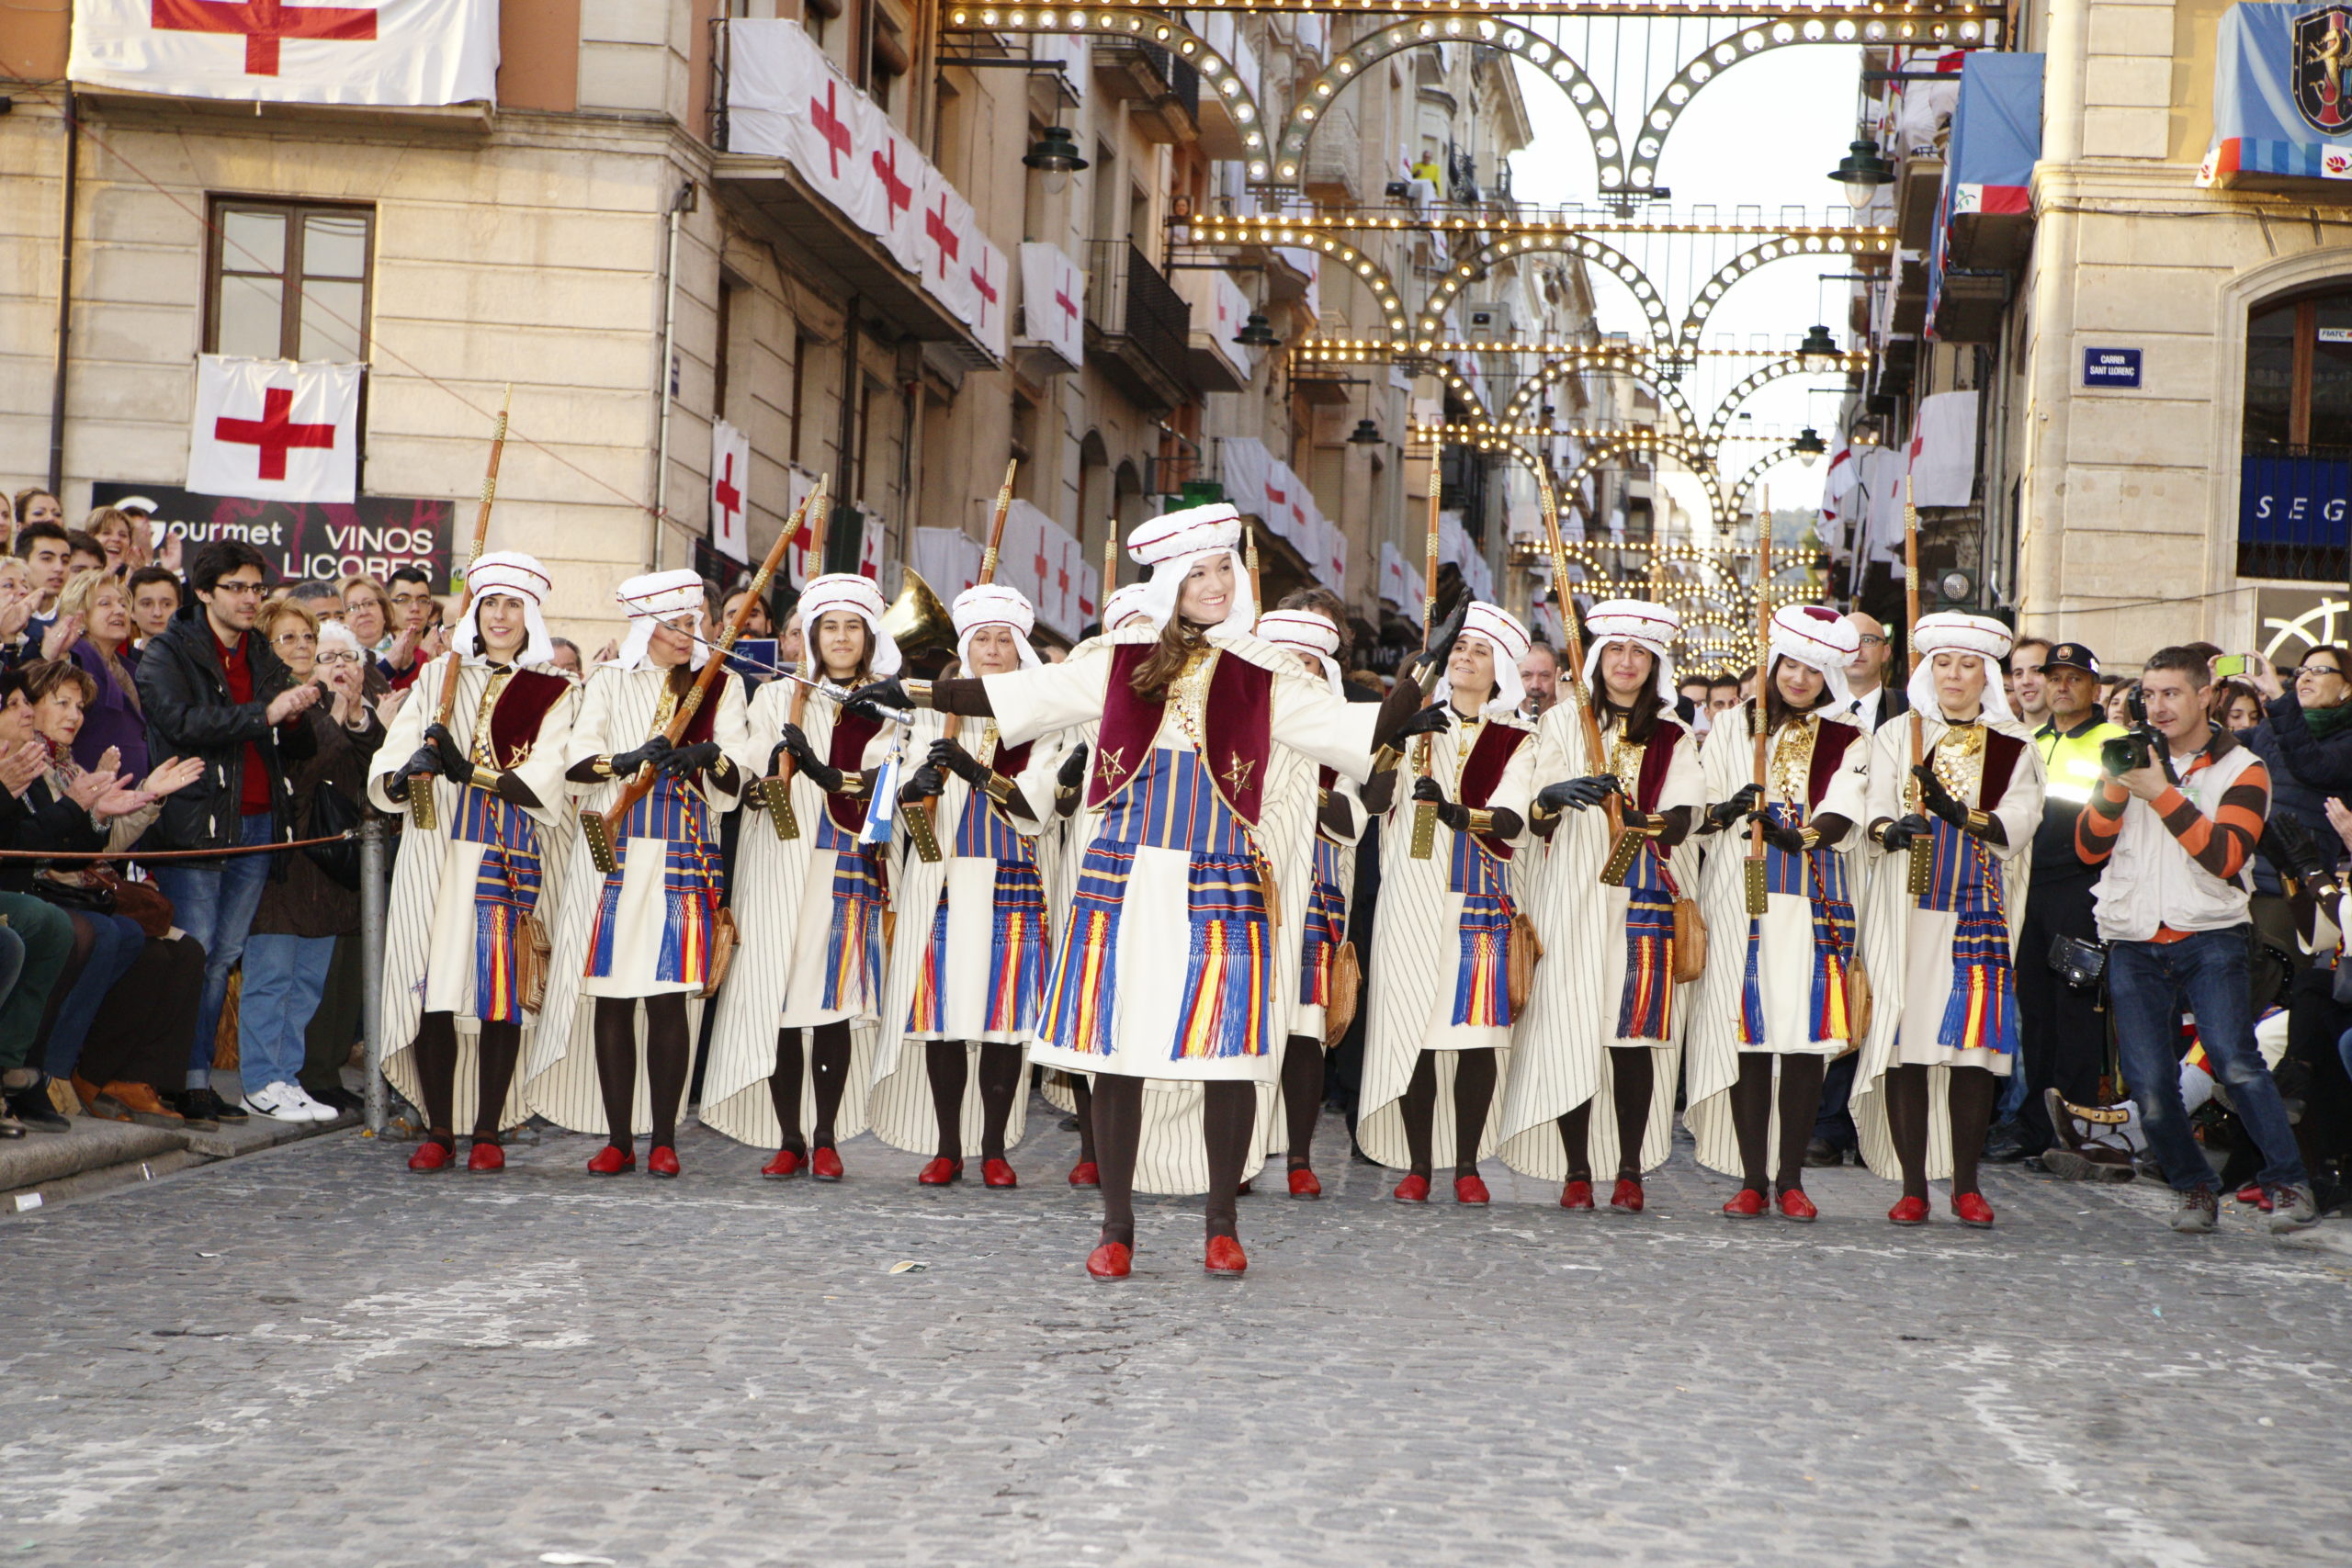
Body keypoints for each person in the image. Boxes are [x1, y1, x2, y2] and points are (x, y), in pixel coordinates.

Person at [846, 503, 1404, 1279]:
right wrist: (916, 694)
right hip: (1123, 874)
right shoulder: (1119, 659)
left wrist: (1421, 678)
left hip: (1220, 874)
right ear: (1171, 582)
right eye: (1199, 572)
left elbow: (1358, 730)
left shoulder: (1266, 670)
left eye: (1224, 570)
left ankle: (1221, 1222)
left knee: (1228, 1053)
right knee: (1114, 1050)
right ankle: (1116, 1226)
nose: (1215, 584)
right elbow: (1019, 698)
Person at [2075, 646, 2319, 1233]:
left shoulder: (2243, 767)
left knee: (2236, 1062)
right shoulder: (2128, 755)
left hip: (2212, 934)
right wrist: (2117, 784)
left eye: (2171, 694)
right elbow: (2087, 847)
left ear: (2205, 695)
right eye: (2148, 695)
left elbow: (2225, 854)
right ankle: (2193, 1186)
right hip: (2133, 934)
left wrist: (2159, 791)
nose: (2156, 708)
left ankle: (2289, 1184)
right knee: (2151, 1082)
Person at [537, 570, 749, 1179]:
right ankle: (618, 1137)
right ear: (646, 626)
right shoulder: (608, 680)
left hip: (683, 852)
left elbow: (738, 774)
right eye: (677, 624)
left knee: (665, 998)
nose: (690, 635)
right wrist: (625, 760)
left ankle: (663, 1138)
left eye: (695, 623)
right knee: (612, 994)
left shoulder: (721, 685)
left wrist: (709, 756)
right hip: (615, 853)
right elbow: (579, 759)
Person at [369, 554, 578, 1169]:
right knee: (434, 987)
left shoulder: (555, 689)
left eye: (513, 604)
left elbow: (548, 771)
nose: (500, 615)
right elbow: (396, 750)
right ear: (475, 611)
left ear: (531, 614)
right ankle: (439, 1128)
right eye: (490, 603)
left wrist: (474, 772)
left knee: (497, 992)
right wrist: (410, 770)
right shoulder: (439, 677)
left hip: (505, 852)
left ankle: (487, 1128)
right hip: (438, 849)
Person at [1499, 599, 1702, 1212]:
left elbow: (1685, 815)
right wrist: (1553, 796)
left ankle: (1631, 1166)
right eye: (1615, 650)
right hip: (1574, 895)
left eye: (1639, 652)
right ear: (1598, 659)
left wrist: (1641, 818)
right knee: (1572, 1028)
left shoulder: (1673, 733)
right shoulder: (1563, 722)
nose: (1626, 661)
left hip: (1641, 897)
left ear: (1654, 663)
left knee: (1633, 1037)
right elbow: (1532, 811)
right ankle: (1578, 1168)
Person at [866, 584, 1071, 1187]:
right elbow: (887, 774)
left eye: (1003, 639)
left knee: (1005, 1019)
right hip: (945, 878)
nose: (992, 648)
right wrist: (914, 780)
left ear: (1020, 647)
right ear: (965, 644)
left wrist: (975, 771)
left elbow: (1043, 796)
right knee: (945, 1015)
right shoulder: (933, 707)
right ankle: (949, 1144)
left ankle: (995, 1145)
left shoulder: (1042, 712)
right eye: (981, 637)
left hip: (1014, 874)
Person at [704, 573, 901, 1179]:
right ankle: (789, 1134)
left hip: (842, 863)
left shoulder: (891, 704)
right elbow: (744, 770)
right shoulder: (776, 696)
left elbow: (888, 791)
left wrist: (822, 768)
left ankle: (826, 1134)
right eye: (829, 627)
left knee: (832, 1002)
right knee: (781, 998)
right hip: (777, 862)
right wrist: (766, 775)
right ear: (811, 637)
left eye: (852, 627)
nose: (840, 638)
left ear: (868, 636)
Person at [1852, 613, 2046, 1227]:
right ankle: (1913, 1185)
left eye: (1967, 664)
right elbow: (1873, 808)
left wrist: (1958, 813)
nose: (1954, 675)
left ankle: (1967, 1183)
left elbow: (2021, 817)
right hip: (1909, 906)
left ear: (1985, 672)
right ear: (1927, 669)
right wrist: (1894, 826)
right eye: (1942, 663)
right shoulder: (1896, 735)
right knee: (1911, 1045)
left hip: (1974, 907)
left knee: (1973, 1054)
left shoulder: (2014, 743)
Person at [1685, 606, 1870, 1219]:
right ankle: (1749, 1177)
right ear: (1774, 664)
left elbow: (1846, 806)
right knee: (1749, 1037)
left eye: (1813, 669)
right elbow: (1703, 805)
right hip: (1743, 895)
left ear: (1828, 676)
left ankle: (1790, 1177)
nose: (1798, 678)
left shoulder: (1848, 734)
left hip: (1812, 895)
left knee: (1802, 1041)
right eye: (1790, 664)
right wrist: (1728, 808)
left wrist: (1803, 835)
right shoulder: (1736, 724)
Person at [136, 539, 321, 1127]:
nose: (249, 599)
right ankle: (176, 1079)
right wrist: (263, 715)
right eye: (236, 588)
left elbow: (298, 744)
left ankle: (195, 1080)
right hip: (198, 823)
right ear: (205, 591)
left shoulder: (261, 652)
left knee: (223, 958)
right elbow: (181, 723)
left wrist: (292, 716)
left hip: (259, 821)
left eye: (255, 588)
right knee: (194, 955)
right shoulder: (169, 650)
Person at [1357, 602, 1536, 1207]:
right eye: (1458, 649)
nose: (1464, 658)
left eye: (1478, 651)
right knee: (1417, 1029)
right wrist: (1394, 742)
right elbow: (1373, 793)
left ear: (1501, 668)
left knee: (1477, 1036)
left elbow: (1511, 818)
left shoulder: (1518, 738)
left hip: (1479, 896)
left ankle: (1465, 1163)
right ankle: (1417, 1163)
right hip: (1411, 896)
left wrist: (1455, 812)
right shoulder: (1417, 723)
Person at [11, 660, 209, 1121]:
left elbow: (102, 851)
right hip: (46, 893)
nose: (74, 715)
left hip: (81, 890)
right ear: (28, 708)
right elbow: (48, 848)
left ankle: (116, 1074)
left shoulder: (67, 764)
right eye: (61, 703)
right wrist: (91, 809)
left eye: (79, 706)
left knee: (184, 952)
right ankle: (54, 1071)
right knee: (108, 935)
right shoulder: (25, 762)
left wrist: (146, 798)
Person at [232, 609, 379, 1122]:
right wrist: (337, 717)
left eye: (307, 636)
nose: (300, 645)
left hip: (327, 869)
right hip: (284, 863)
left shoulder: (324, 702)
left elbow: (367, 768)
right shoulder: (274, 703)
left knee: (306, 983)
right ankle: (259, 1079)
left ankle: (287, 1076)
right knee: (272, 976)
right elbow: (301, 774)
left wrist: (355, 712)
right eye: (288, 637)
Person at [1254, 606, 1365, 1199]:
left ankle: (1298, 1155)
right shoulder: (1235, 731)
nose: (1296, 675)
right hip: (1242, 894)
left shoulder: (1339, 739)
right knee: (1239, 1026)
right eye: (1284, 664)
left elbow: (1352, 814)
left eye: (1308, 666)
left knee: (1303, 1029)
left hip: (1314, 896)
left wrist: (1303, 786)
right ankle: (1238, 1155)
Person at [2013, 642, 2124, 1162]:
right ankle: (2035, 1125)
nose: (2061, 686)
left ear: (2094, 688)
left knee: (2075, 1005)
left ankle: (2076, 1123)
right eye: (2053, 676)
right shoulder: (2031, 739)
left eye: (2073, 678)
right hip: (2030, 886)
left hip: (2082, 887)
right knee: (2035, 1010)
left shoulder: (2114, 741)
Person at [0, 671, 76, 1138]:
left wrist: (94, 810)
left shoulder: (27, 762)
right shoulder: (17, 768)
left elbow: (35, 840)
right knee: (15, 935)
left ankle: (9, 1067)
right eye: (13, 704)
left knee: (54, 926)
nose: (28, 712)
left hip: (23, 887)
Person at [59, 570, 147, 778]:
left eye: (123, 604)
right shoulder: (73, 663)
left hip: (129, 795)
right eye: (105, 604)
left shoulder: (131, 669)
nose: (119, 611)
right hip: (86, 790)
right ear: (79, 615)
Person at [1842, 611, 1907, 733]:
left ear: (1885, 652)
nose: (1857, 650)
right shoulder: (1818, 711)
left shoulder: (1909, 709)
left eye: (1867, 640)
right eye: (1847, 640)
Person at [16, 522, 72, 621]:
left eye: (65, 561)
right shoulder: (5, 616)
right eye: (47, 559)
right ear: (22, 563)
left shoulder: (76, 619)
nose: (59, 568)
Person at [127, 567, 180, 647]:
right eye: (147, 604)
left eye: (166, 604)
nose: (157, 613)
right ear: (132, 611)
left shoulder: (196, 657)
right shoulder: (116, 658)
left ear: (179, 609)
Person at [342, 574, 393, 654]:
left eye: (369, 604)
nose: (363, 613)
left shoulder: (410, 655)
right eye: (352, 608)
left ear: (383, 610)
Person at [2008, 637, 2052, 730]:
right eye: (2018, 673)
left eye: (2036, 671)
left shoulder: (2076, 736)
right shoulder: (2001, 739)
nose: (2026, 681)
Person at [84, 509, 135, 574]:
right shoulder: (76, 576)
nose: (116, 539)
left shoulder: (135, 580)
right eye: (106, 533)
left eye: (123, 535)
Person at [1517, 642, 1560, 719]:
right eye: (1527, 675)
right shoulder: (1497, 724)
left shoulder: (1570, 723)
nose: (1535, 685)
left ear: (1557, 678)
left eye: (1544, 676)